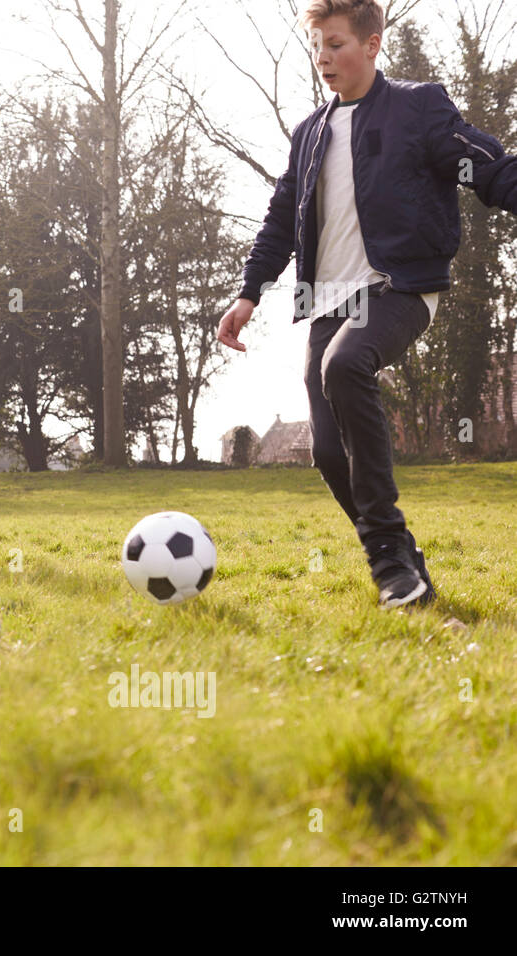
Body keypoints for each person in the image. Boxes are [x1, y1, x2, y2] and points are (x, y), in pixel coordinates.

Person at [218, 0, 517, 608]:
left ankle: (387, 561)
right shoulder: (309, 134)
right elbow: (280, 221)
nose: (324, 58)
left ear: (373, 44)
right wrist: (249, 292)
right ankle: (406, 562)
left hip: (399, 287)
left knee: (345, 366)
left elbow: (485, 167)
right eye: (318, 48)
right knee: (329, 451)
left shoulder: (416, 107)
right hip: (327, 299)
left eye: (336, 44)